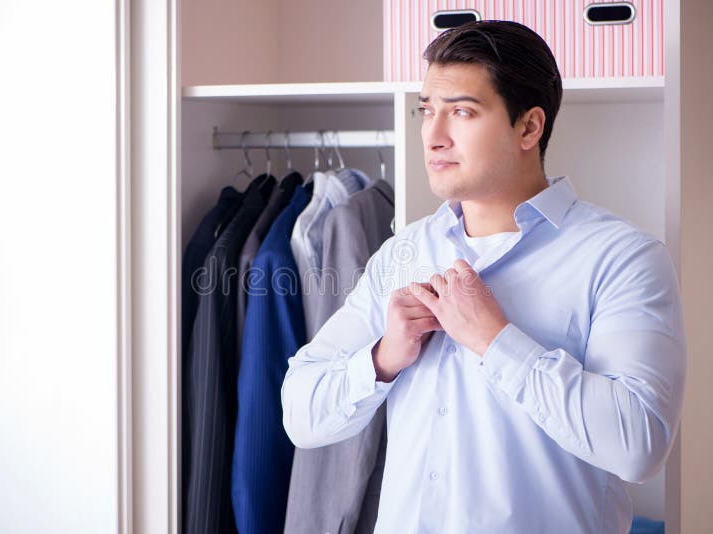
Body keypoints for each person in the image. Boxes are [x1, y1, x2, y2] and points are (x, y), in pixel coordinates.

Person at [281, 20, 686, 534]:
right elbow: (300, 413)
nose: (433, 134)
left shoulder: (623, 259)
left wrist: (496, 341)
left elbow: (639, 446)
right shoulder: (403, 253)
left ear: (528, 127)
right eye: (427, 110)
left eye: (462, 112)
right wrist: (383, 358)